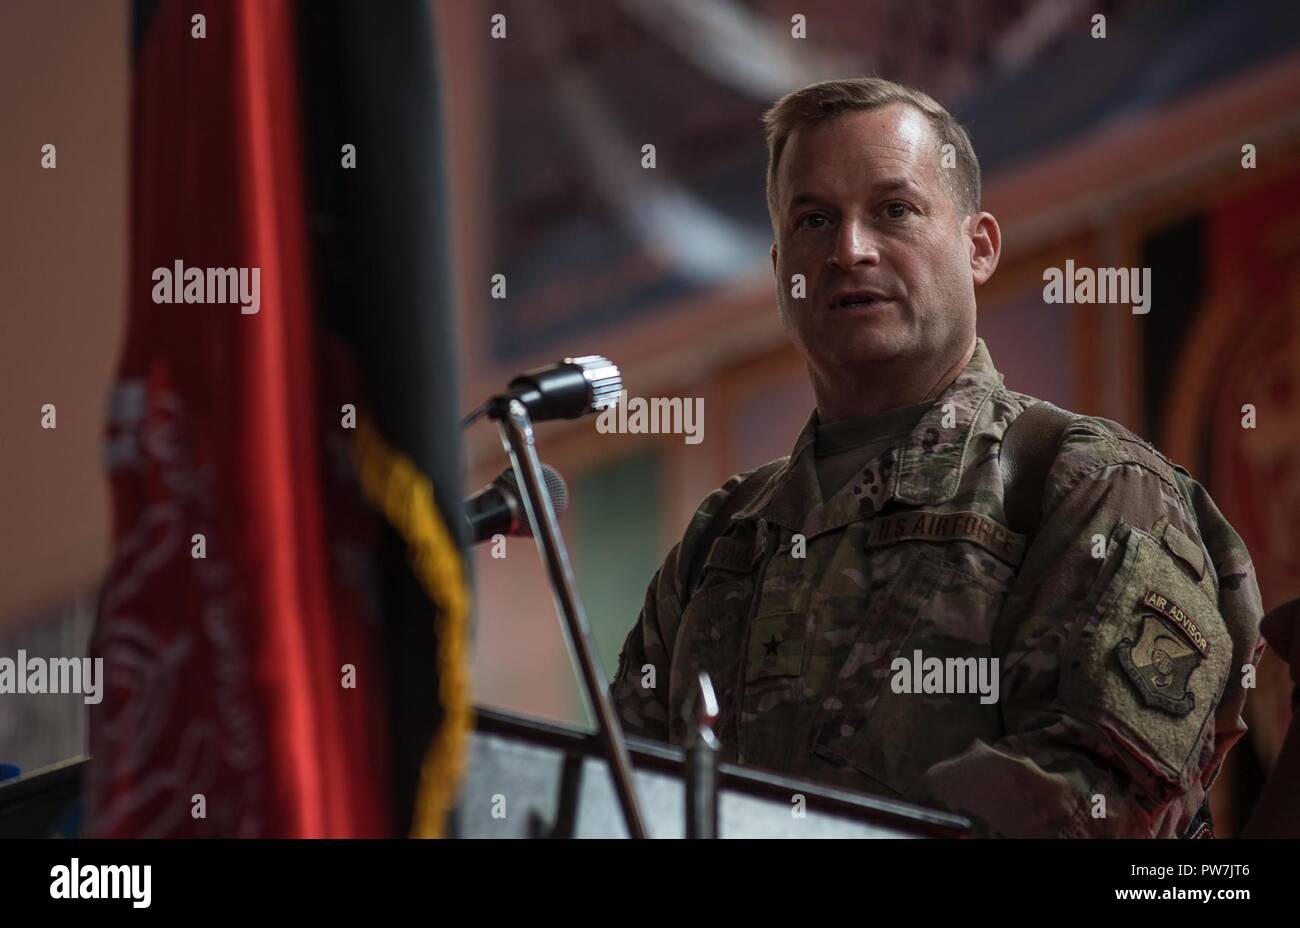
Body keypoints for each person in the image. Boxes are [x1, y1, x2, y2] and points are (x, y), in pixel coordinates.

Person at [609, 77, 1263, 838]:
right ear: (780, 267)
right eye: (815, 219)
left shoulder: (1087, 486)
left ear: (979, 246)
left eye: (894, 210)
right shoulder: (719, 541)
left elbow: (1092, 805)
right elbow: (621, 798)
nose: (849, 249)